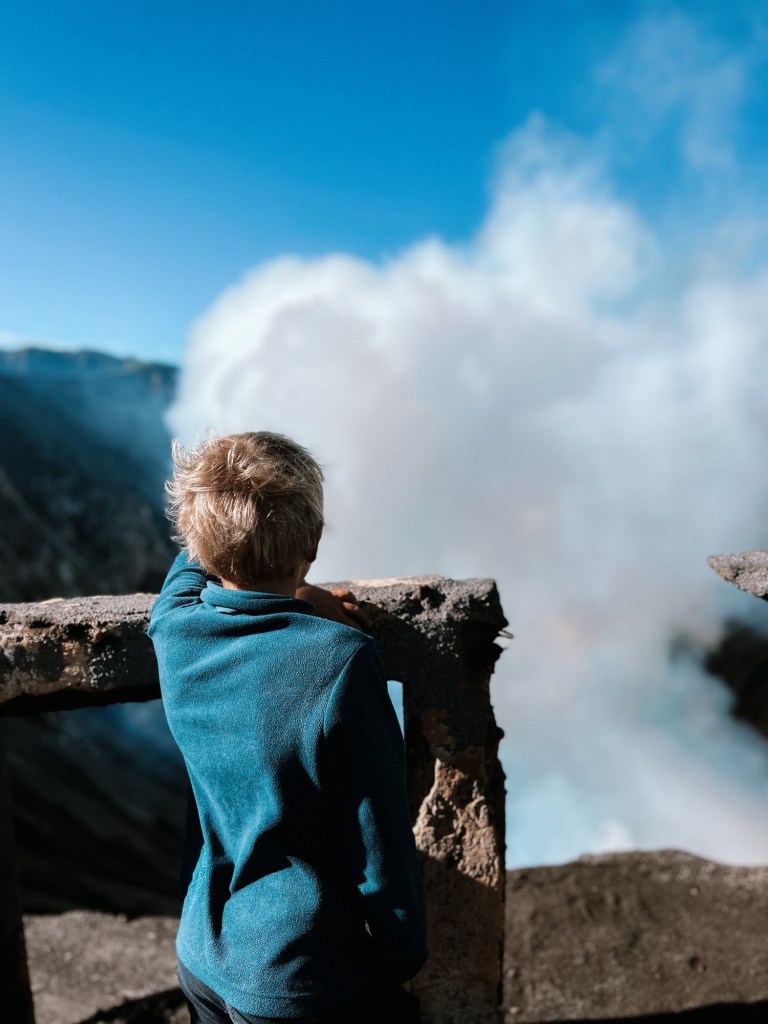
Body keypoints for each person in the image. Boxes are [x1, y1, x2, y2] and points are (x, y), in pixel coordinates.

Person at [148, 431, 426, 1024]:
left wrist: (284, 588)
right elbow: (378, 839)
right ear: (315, 539)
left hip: (203, 955)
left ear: (197, 537)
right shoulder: (341, 661)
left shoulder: (174, 629)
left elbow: (188, 569)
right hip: (297, 978)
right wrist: (404, 954)